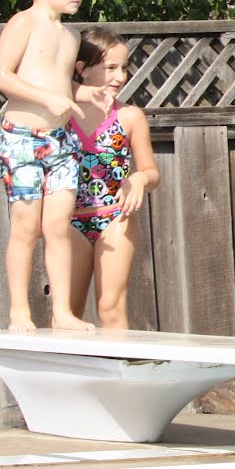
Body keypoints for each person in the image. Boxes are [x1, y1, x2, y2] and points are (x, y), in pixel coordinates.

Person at [0, 0, 108, 332]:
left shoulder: (71, 36)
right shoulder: (22, 23)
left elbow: (59, 84)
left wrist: (84, 93)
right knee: (26, 228)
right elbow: (1, 76)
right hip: (24, 140)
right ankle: (19, 312)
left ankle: (62, 312)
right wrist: (47, 98)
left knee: (58, 228)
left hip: (62, 143)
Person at [67, 27, 160, 330]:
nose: (120, 76)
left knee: (110, 307)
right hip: (70, 221)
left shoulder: (130, 116)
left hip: (115, 218)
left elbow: (151, 172)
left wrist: (139, 179)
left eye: (124, 68)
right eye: (110, 68)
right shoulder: (62, 114)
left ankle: (118, 360)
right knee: (67, 311)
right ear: (82, 68)